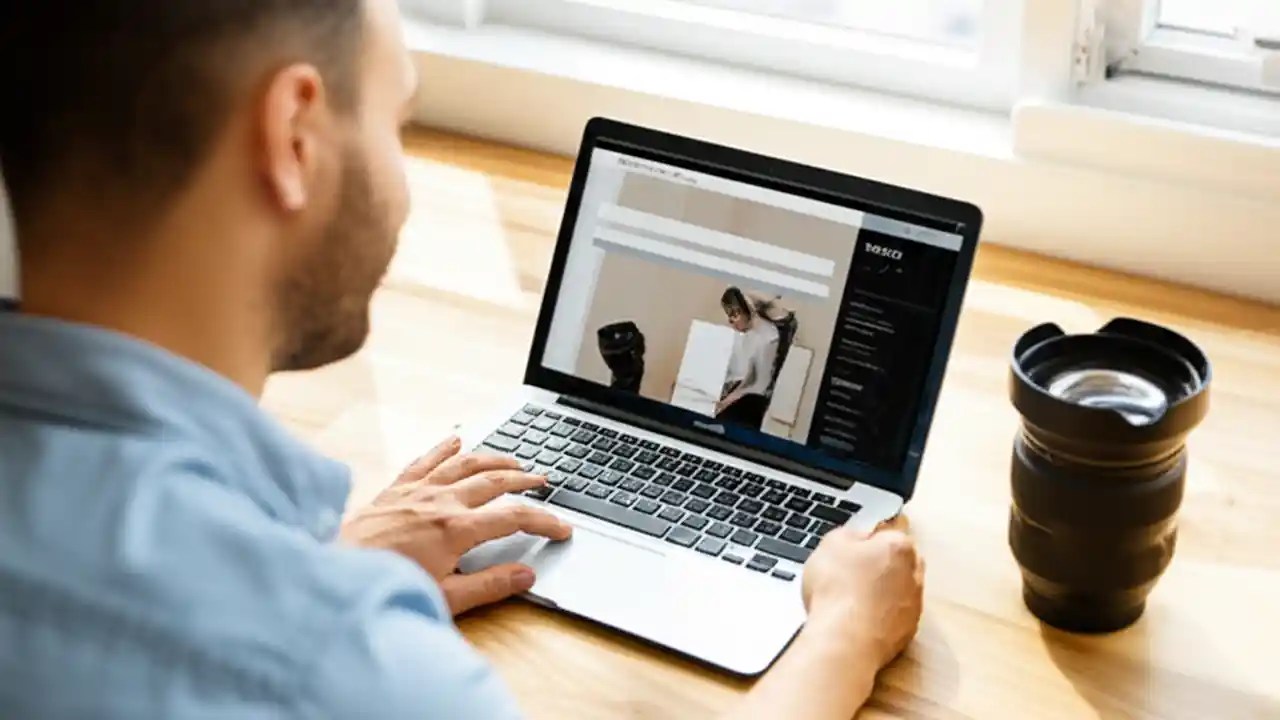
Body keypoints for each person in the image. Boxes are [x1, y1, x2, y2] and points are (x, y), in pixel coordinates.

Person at [0, 2, 924, 718]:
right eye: (397, 119)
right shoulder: (338, 667)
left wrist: (327, 559)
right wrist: (844, 631)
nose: (402, 178)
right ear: (294, 138)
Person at [717, 287, 782, 427]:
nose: (732, 322)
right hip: (738, 392)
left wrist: (727, 401)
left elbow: (759, 384)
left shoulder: (768, 337)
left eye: (735, 315)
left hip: (751, 401)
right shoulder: (746, 333)